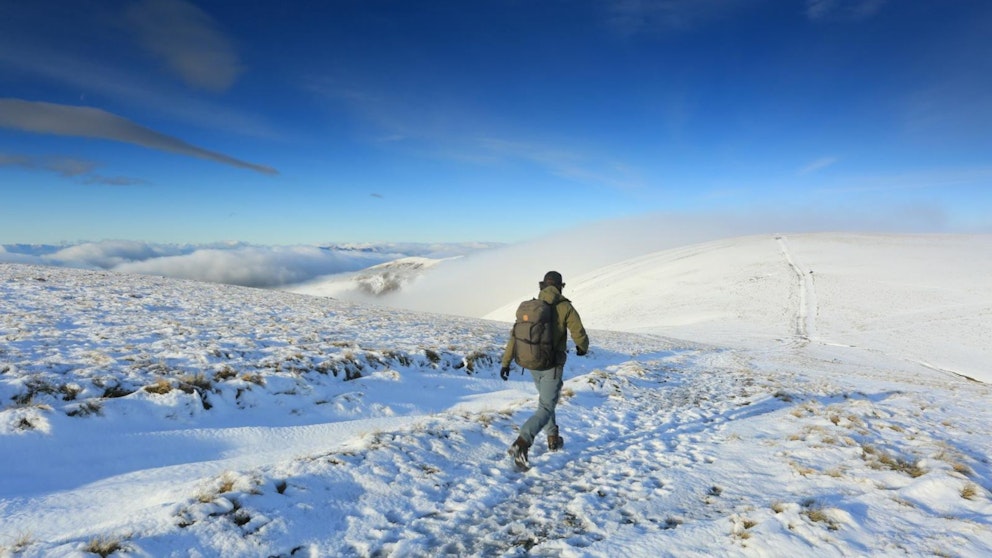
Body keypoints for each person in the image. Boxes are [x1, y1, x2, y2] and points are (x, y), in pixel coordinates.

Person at [500, 270, 589, 469]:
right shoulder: (565, 306)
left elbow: (514, 337)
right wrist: (582, 348)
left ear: (543, 285)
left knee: (546, 401)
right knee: (547, 406)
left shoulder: (532, 307)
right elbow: (578, 331)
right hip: (552, 365)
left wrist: (505, 363)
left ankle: (552, 438)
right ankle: (522, 442)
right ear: (560, 286)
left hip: (532, 363)